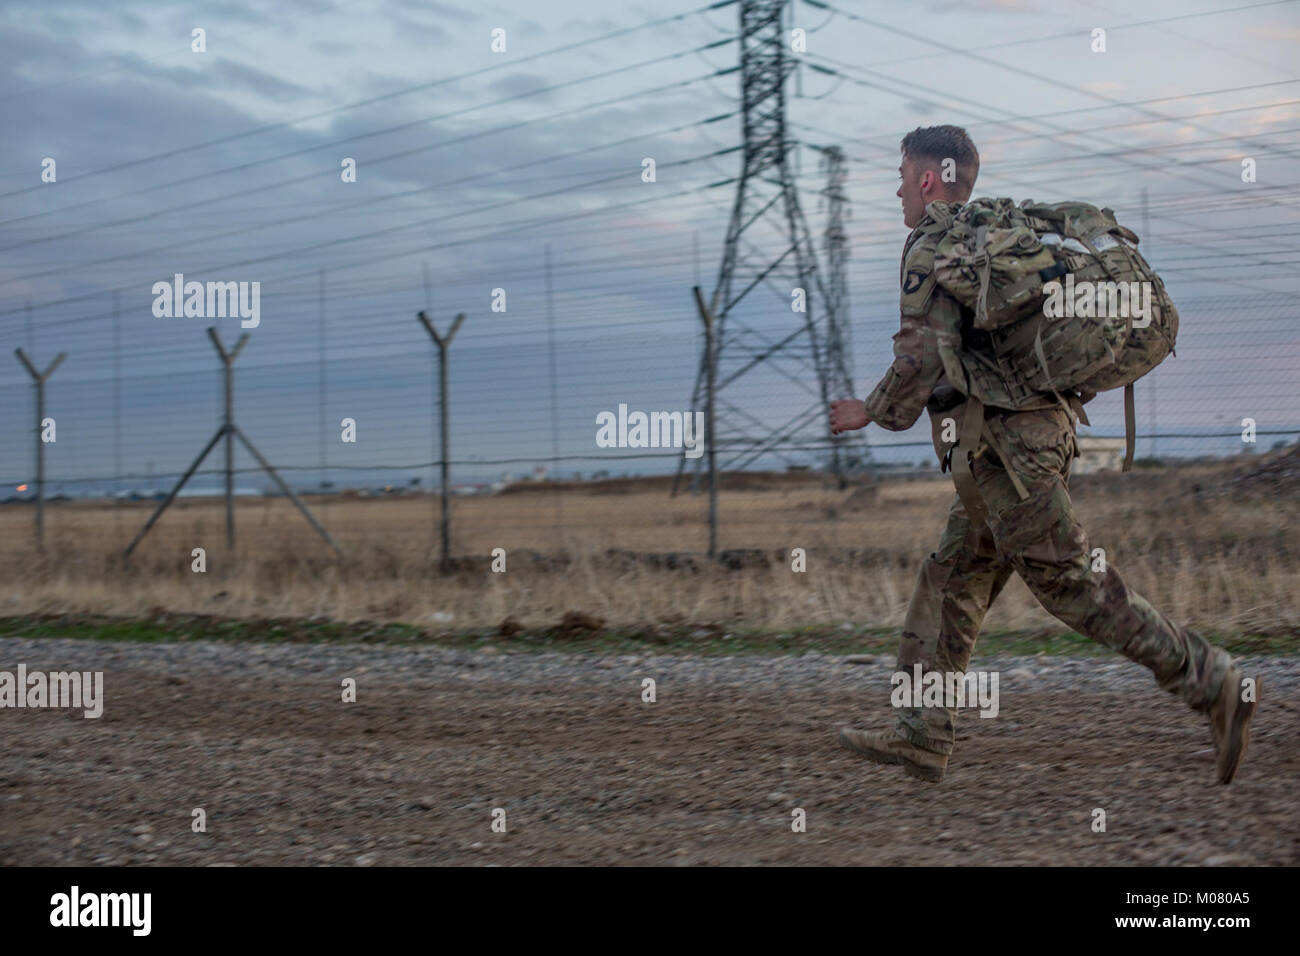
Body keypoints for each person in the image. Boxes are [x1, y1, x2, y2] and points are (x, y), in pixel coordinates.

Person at [828, 125, 1258, 785]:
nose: (895, 191)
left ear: (925, 179)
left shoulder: (933, 245)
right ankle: (920, 733)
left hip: (1012, 451)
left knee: (1072, 586)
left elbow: (917, 358)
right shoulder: (997, 238)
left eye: (899, 177)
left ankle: (1211, 680)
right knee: (952, 576)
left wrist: (871, 411)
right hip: (1013, 443)